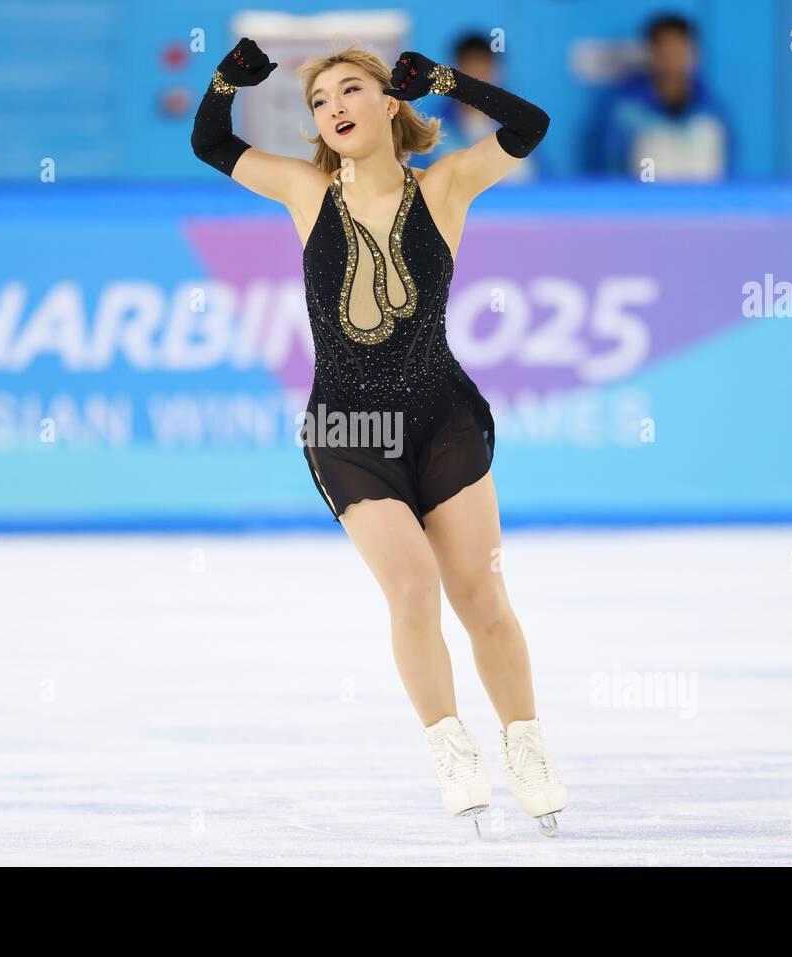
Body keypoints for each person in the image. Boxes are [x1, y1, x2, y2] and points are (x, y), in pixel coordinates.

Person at [191, 38, 568, 836]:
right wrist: (227, 81)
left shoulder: (449, 186)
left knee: (483, 598)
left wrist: (449, 81)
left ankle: (525, 744)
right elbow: (211, 144)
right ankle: (449, 744)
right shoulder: (303, 191)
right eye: (320, 102)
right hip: (348, 431)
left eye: (350, 91)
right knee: (411, 589)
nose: (333, 109)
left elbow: (531, 125)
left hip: (442, 422)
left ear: (390, 104)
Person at [591, 13, 732, 180]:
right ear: (651, 53)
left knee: (705, 132)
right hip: (642, 200)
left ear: (694, 53)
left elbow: (725, 168)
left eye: (680, 49)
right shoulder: (625, 110)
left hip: (700, 201)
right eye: (665, 49)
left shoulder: (712, 111)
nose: (672, 59)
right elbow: (609, 165)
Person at [412, 33, 538, 183]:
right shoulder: (430, 128)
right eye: (470, 66)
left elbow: (544, 181)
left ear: (497, 71)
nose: (477, 77)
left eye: (484, 67)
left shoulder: (521, 125)